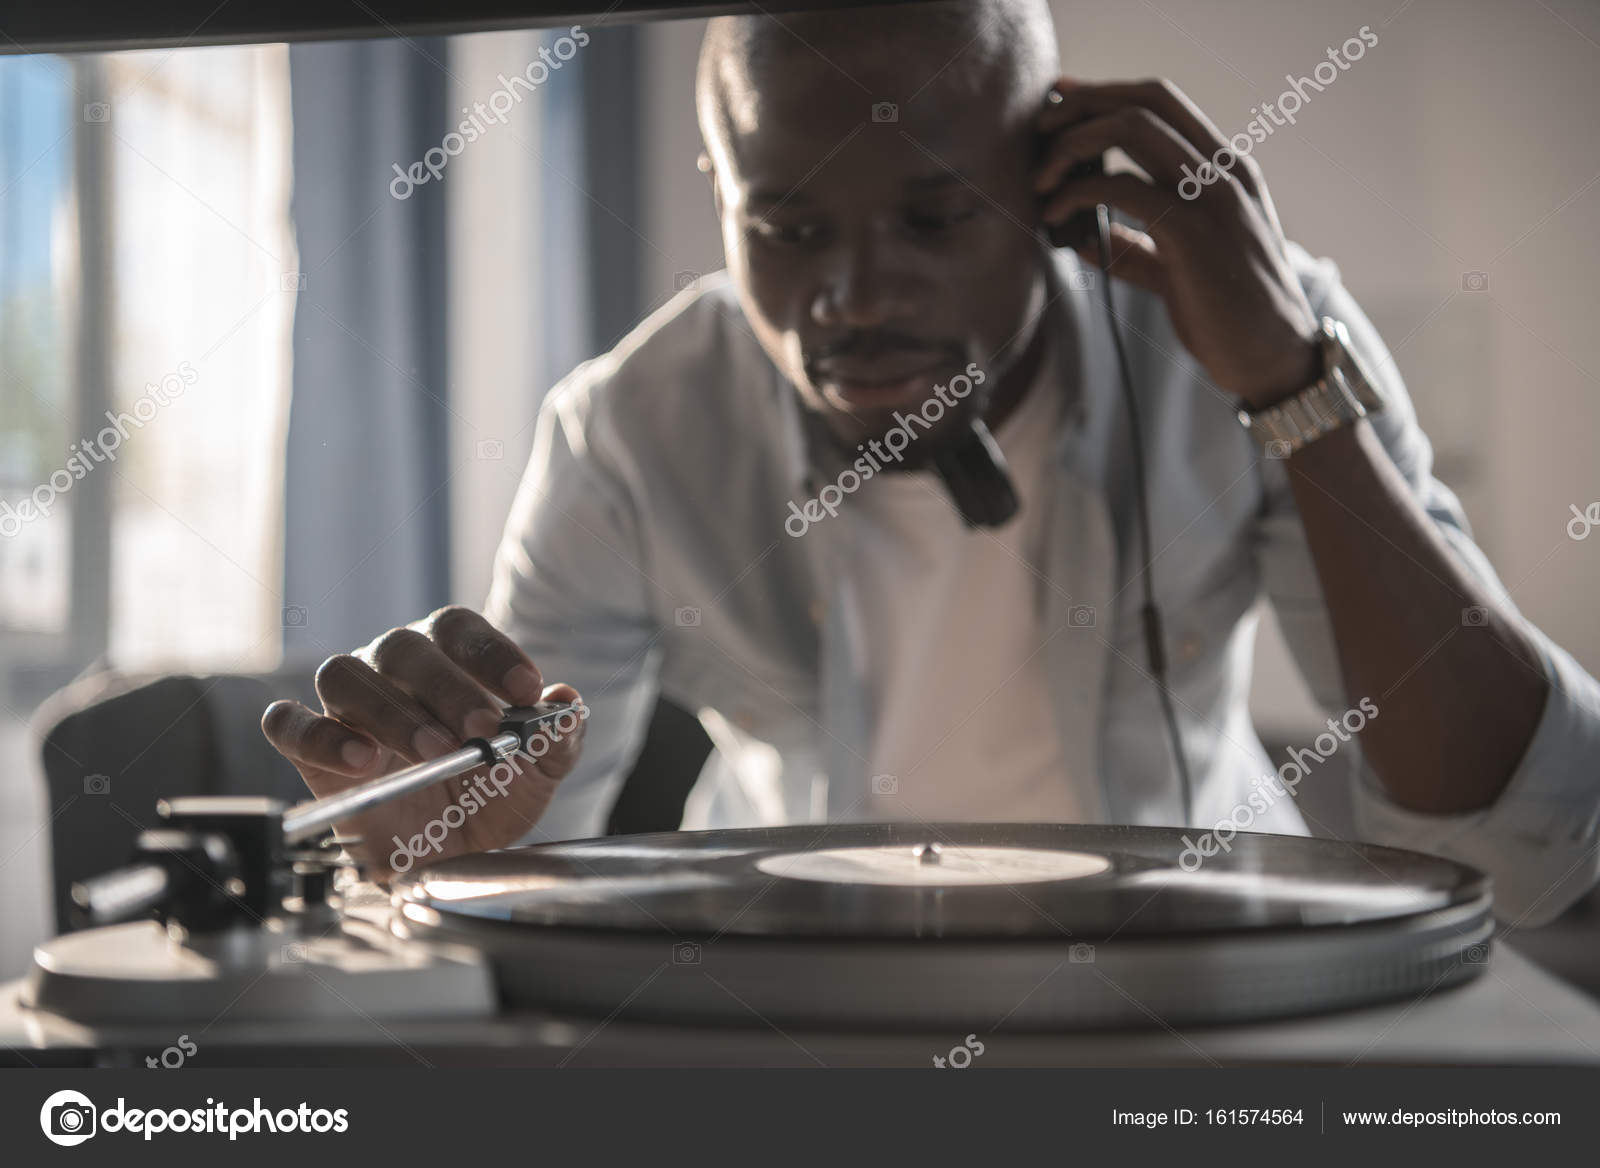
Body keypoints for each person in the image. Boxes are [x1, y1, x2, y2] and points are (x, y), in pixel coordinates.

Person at [262, 0, 1600, 924]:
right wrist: (434, 843)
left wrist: (1291, 388)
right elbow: (518, 859)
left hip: (1201, 971)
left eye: (931, 214)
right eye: (786, 224)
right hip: (818, 998)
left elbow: (1525, 836)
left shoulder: (1248, 328)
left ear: (1055, 185)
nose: (851, 296)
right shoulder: (630, 432)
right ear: (722, 197)